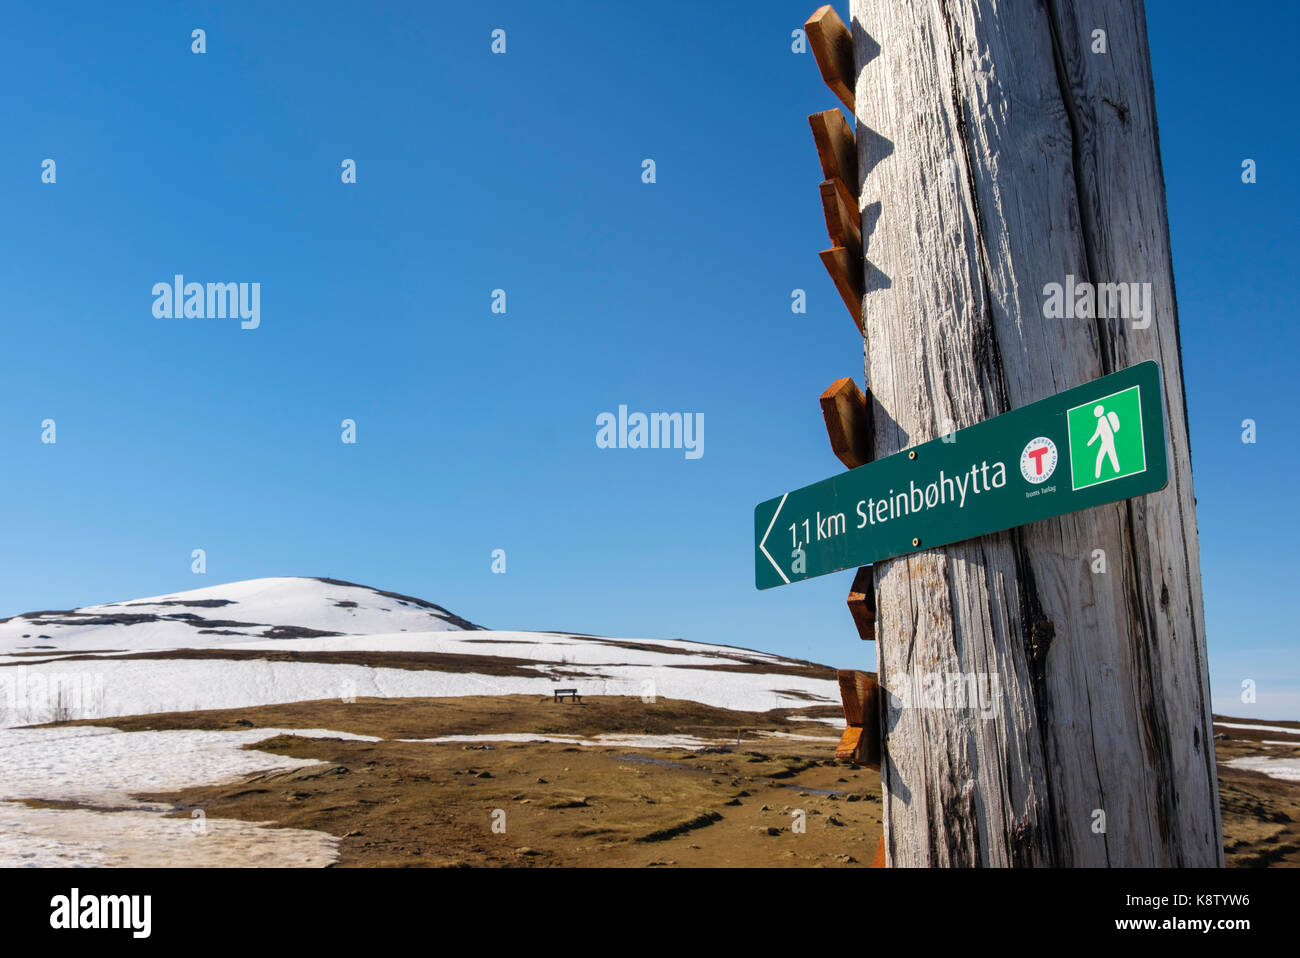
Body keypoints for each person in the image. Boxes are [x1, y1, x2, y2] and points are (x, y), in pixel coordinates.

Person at [1087, 404, 1121, 478]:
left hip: (1107, 441)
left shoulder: (1101, 420)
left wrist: (1089, 443)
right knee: (1112, 455)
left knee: (1100, 458)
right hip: (1108, 440)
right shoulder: (1104, 419)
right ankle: (1117, 470)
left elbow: (1097, 433)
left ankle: (1097, 476)